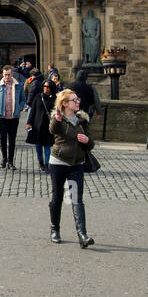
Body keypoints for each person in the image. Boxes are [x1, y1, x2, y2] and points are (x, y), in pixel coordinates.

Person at [48, 88, 96, 247]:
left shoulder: (82, 120)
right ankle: (55, 229)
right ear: (65, 104)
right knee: (57, 197)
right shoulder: (58, 119)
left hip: (76, 164)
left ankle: (82, 235)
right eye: (74, 100)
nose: (78, 102)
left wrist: (86, 140)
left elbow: (92, 143)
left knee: (76, 198)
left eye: (77, 99)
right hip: (59, 162)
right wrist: (57, 117)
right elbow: (52, 129)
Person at [0, 65, 26, 170]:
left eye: (9, 74)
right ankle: (4, 159)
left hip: (14, 117)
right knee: (2, 139)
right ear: (3, 74)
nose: (7, 77)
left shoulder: (18, 85)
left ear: (12, 74)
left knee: (12, 140)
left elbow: (23, 99)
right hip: (2, 116)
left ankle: (11, 161)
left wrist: (19, 108)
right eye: (5, 75)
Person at [25, 78, 58, 171]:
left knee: (47, 146)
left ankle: (47, 164)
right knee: (38, 146)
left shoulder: (55, 99)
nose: (45, 88)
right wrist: (29, 123)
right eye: (44, 86)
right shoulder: (38, 97)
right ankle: (40, 161)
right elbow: (33, 111)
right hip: (37, 125)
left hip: (48, 126)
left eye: (48, 87)